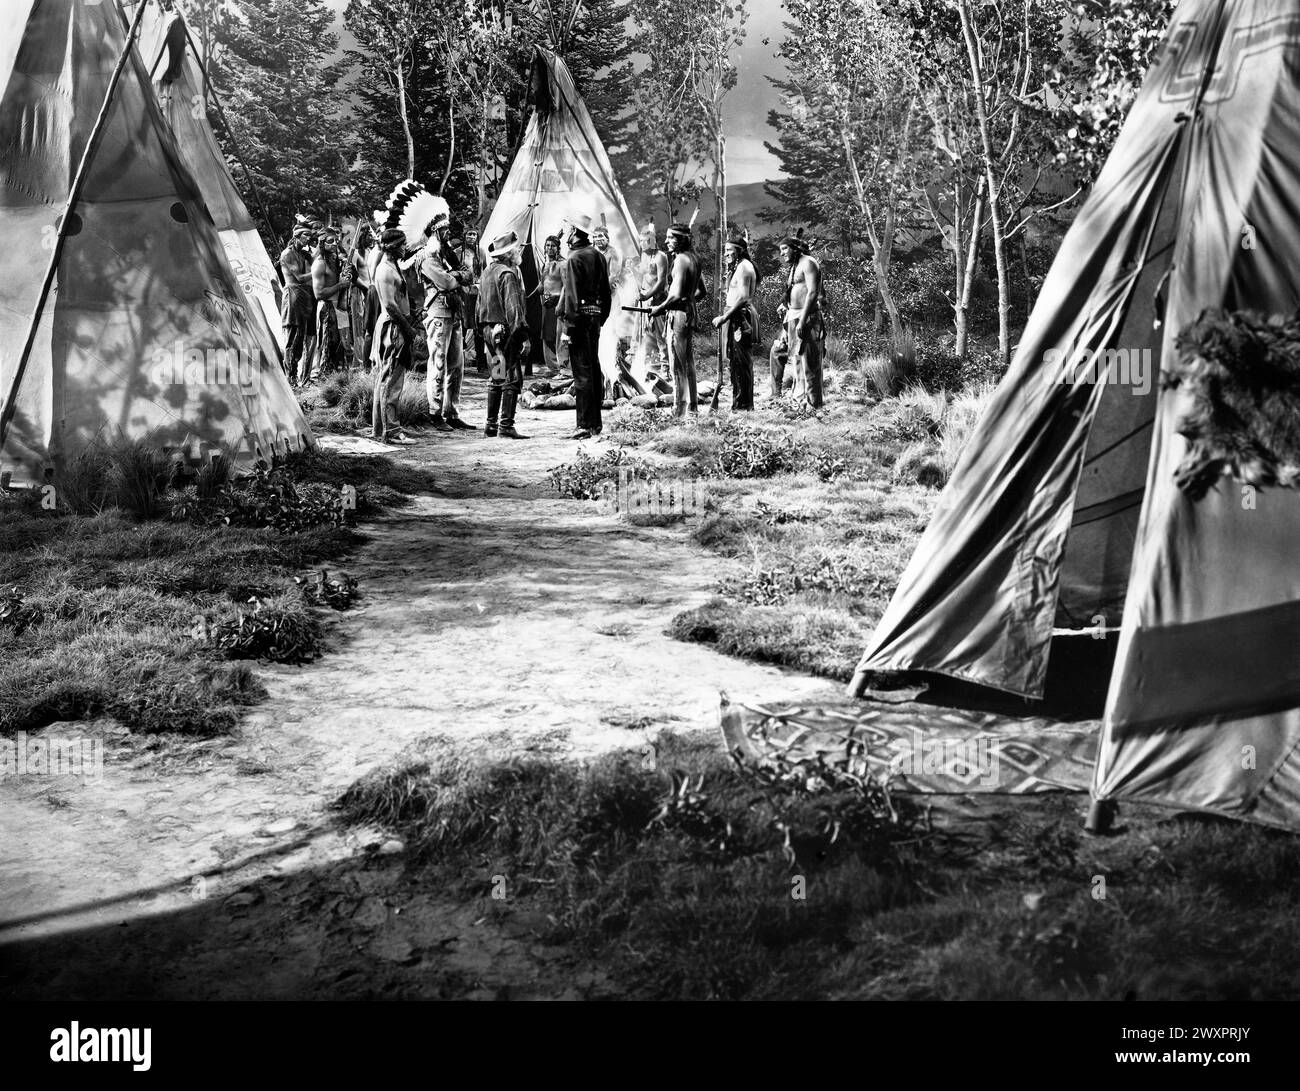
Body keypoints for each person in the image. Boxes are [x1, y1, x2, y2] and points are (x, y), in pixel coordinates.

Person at [418, 222, 475, 432]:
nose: (448, 232)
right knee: (438, 363)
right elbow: (446, 283)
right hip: (438, 313)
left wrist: (456, 276)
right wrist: (457, 276)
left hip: (453, 311)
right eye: (444, 229)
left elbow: (469, 275)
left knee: (456, 366)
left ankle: (451, 412)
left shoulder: (447, 254)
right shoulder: (427, 257)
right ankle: (435, 412)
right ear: (435, 231)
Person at [558, 216, 611, 439]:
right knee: (593, 368)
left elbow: (571, 297)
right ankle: (595, 424)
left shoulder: (574, 258)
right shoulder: (598, 256)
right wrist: (600, 318)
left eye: (568, 230)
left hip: (578, 321)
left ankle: (584, 426)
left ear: (574, 233)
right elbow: (606, 293)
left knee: (582, 374)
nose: (565, 235)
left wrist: (568, 328)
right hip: (595, 318)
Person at [476, 232, 532, 439]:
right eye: (517, 249)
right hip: (506, 332)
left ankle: (491, 425)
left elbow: (478, 308)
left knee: (497, 376)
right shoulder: (507, 274)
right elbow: (514, 309)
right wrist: (523, 337)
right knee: (511, 378)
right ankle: (506, 425)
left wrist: (485, 332)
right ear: (509, 254)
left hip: (490, 332)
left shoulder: (487, 273)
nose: (519, 252)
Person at [649, 222, 705, 418]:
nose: (666, 241)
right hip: (686, 313)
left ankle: (684, 409)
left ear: (681, 239)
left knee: (679, 364)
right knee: (684, 362)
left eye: (670, 237)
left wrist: (660, 308)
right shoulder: (694, 259)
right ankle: (688, 407)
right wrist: (688, 301)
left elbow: (676, 293)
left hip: (679, 316)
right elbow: (701, 291)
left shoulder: (681, 259)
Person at [371, 228, 418, 442]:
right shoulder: (385, 271)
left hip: (398, 325)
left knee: (388, 380)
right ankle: (391, 431)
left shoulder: (392, 266)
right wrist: (408, 330)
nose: (404, 248)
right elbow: (389, 305)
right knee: (391, 381)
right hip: (393, 328)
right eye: (402, 244)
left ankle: (383, 430)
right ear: (392, 247)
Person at [712, 232, 760, 411]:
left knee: (741, 363)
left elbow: (744, 297)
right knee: (735, 362)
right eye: (725, 251)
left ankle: (744, 406)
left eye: (729, 251)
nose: (725, 255)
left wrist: (725, 317)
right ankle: (739, 404)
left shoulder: (744, 268)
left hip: (740, 318)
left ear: (739, 251)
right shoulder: (739, 266)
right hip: (735, 317)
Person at [779, 234, 824, 407]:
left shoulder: (809, 263)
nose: (782, 253)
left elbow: (813, 292)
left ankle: (814, 405)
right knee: (797, 361)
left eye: (785, 249)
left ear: (795, 248)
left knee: (810, 362)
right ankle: (800, 402)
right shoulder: (795, 266)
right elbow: (793, 290)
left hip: (807, 318)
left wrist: (802, 320)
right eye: (781, 250)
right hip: (794, 315)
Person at [307, 225, 348, 384]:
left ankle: (339, 381)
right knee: (327, 346)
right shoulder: (319, 263)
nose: (335, 243)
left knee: (342, 345)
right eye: (330, 241)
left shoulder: (337, 260)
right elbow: (319, 294)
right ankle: (325, 382)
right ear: (322, 243)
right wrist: (339, 285)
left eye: (336, 240)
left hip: (340, 308)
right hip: (327, 308)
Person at [279, 221, 316, 386]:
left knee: (300, 338)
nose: (308, 238)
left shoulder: (303, 254)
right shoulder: (287, 254)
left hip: (305, 297)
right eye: (305, 235)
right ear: (296, 236)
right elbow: (300, 278)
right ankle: (290, 376)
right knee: (292, 338)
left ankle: (296, 376)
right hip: (293, 297)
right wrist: (318, 271)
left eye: (309, 235)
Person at [635, 222, 669, 386]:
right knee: (645, 335)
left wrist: (648, 294)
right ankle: (648, 368)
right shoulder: (644, 256)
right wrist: (632, 270)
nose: (641, 244)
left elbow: (661, 281)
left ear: (651, 241)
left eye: (644, 241)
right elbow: (642, 278)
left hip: (658, 301)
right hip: (645, 302)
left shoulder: (661, 256)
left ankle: (666, 369)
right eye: (640, 241)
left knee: (661, 336)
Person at [452, 228, 487, 375]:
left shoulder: (481, 252)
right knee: (462, 327)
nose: (472, 237)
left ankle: (482, 365)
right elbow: (452, 273)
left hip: (478, 292)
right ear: (464, 236)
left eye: (474, 234)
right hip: (463, 292)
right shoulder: (458, 252)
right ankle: (457, 364)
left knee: (479, 328)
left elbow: (485, 271)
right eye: (469, 234)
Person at [538, 233, 565, 374]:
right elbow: (542, 284)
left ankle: (561, 367)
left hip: (557, 301)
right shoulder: (545, 264)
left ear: (558, 248)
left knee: (558, 335)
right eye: (547, 245)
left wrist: (560, 302)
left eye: (553, 246)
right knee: (546, 335)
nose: (550, 248)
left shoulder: (563, 264)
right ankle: (552, 368)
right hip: (546, 302)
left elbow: (566, 285)